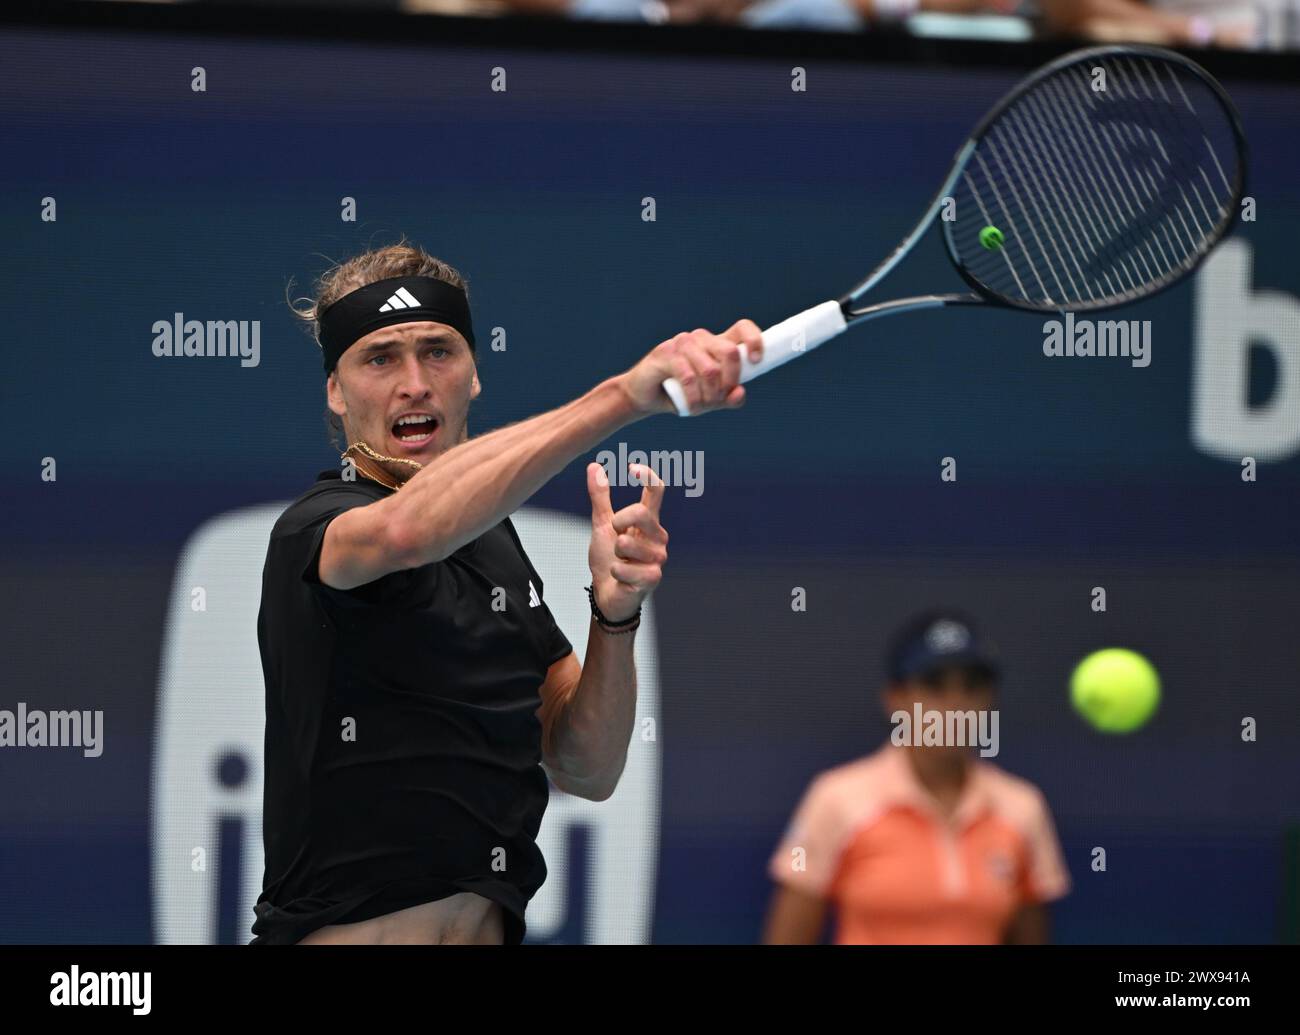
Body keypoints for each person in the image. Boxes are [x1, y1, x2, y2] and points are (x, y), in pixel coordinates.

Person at [252, 241, 761, 944]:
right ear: (336, 390)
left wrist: (613, 618)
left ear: (474, 373)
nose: (415, 383)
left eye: (438, 351)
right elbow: (407, 529)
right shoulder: (315, 531)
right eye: (380, 358)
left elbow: (586, 764)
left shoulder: (496, 548)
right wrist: (626, 396)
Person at [763, 609, 1071, 944]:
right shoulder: (836, 798)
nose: (956, 704)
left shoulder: (1023, 807)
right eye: (934, 684)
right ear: (896, 700)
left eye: (972, 686)